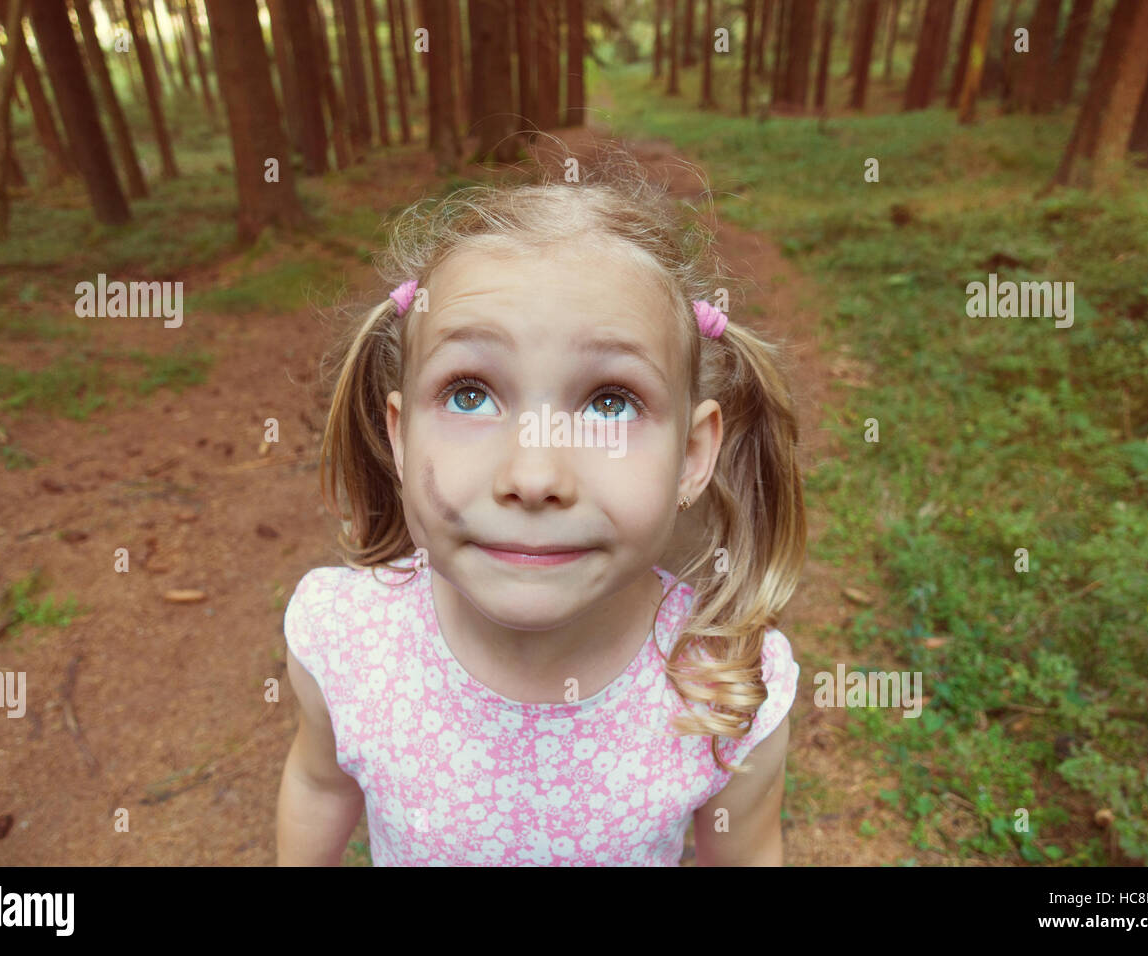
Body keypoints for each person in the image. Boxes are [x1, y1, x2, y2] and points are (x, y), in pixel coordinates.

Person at [277, 147, 807, 866]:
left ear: (692, 454)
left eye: (610, 402)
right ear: (399, 437)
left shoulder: (723, 686)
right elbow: (318, 785)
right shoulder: (346, 644)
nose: (533, 474)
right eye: (470, 394)